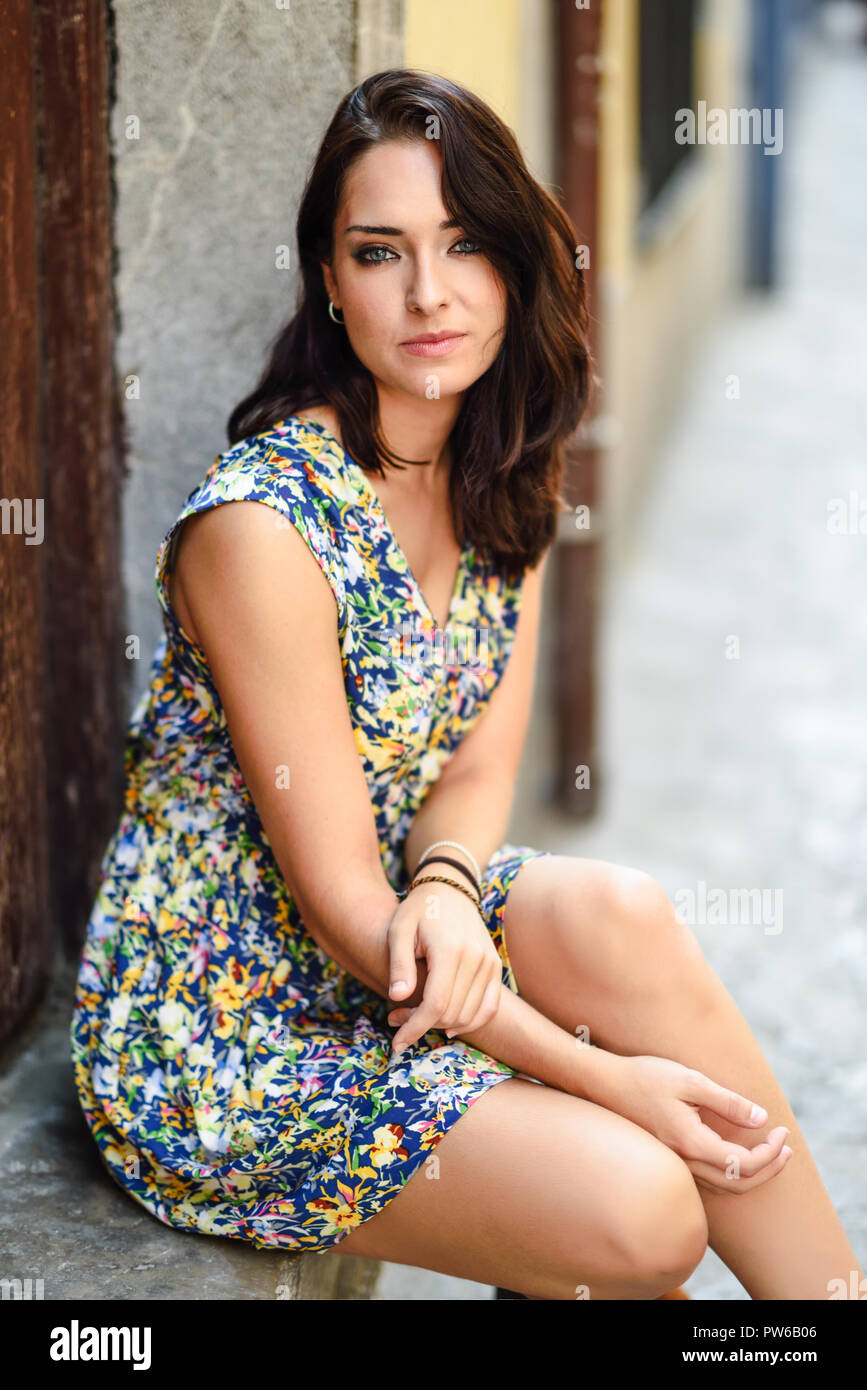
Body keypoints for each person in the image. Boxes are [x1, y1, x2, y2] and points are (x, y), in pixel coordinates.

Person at [70, 69, 863, 1301]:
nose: (429, 293)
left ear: (513, 264)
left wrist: (444, 880)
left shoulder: (507, 469)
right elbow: (340, 908)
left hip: (397, 935)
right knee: (647, 1207)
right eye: (380, 252)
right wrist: (604, 1075)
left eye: (464, 244)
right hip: (227, 1028)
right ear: (330, 283)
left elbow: (483, 765)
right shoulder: (262, 531)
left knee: (622, 917)